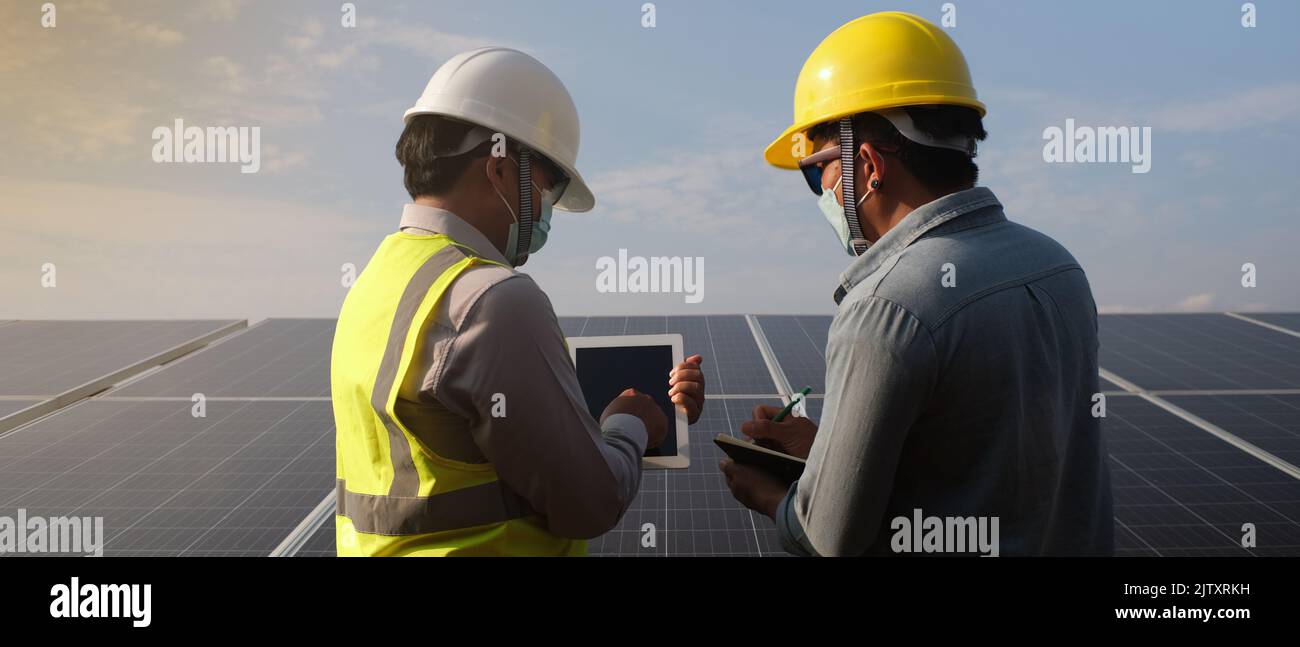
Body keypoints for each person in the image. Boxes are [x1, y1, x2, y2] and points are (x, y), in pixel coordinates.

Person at [720, 12, 1112, 556]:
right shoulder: (1058, 267)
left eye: (817, 172)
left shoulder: (887, 307)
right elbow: (981, 470)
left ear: (868, 164)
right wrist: (829, 454)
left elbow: (829, 538)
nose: (820, 192)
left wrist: (771, 497)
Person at [332, 47, 706, 556]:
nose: (546, 212)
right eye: (547, 189)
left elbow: (457, 435)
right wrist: (634, 423)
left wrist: (584, 419)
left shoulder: (373, 283)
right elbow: (590, 501)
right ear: (500, 167)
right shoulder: (492, 299)